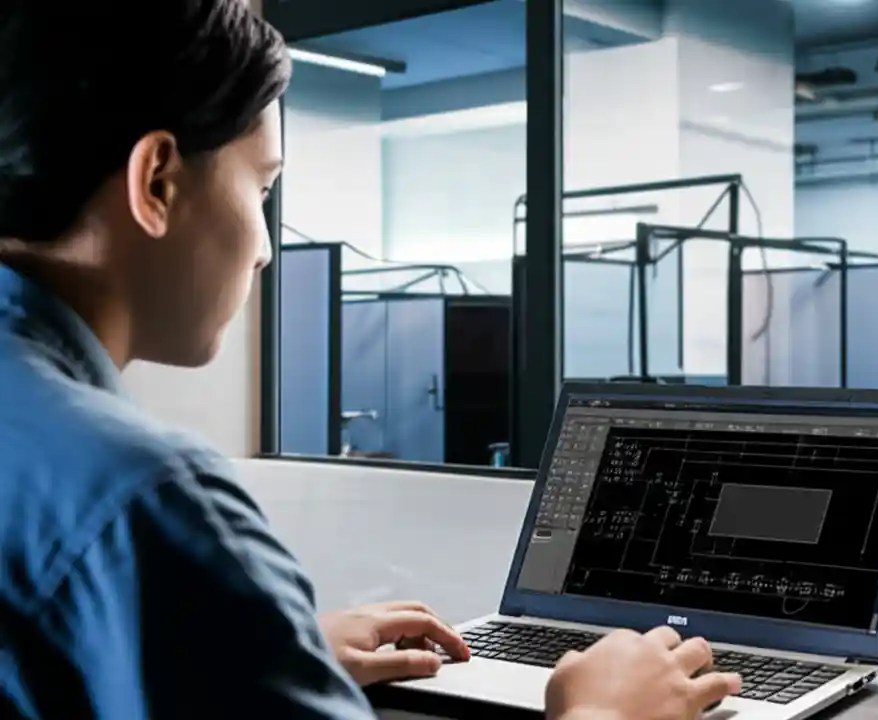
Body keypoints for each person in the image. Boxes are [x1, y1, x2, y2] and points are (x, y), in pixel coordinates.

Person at [0, 1, 740, 718]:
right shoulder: (150, 500)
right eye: (261, 186)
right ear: (157, 181)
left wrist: (259, 649)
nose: (263, 249)